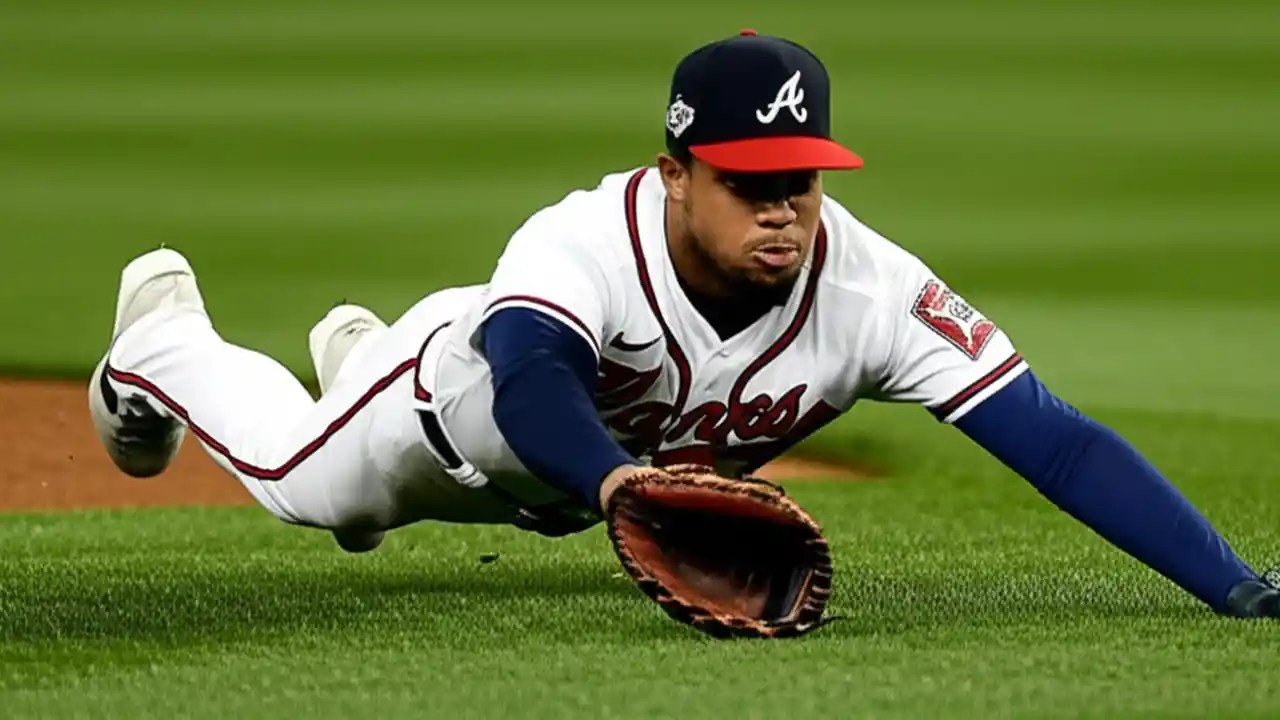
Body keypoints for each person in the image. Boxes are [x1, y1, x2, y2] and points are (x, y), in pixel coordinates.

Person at [89, 30, 1278, 618]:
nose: (780, 211)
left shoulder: (870, 291)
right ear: (674, 172)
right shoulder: (582, 237)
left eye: (798, 183)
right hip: (450, 413)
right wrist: (617, 488)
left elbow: (1055, 441)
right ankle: (162, 338)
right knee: (326, 498)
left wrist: (1233, 588)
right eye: (748, 184)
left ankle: (356, 351)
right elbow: (526, 373)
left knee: (381, 501)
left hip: (562, 482)